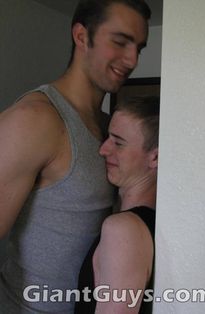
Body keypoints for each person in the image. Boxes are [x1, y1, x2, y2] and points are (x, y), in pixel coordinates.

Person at [0, 0, 151, 313]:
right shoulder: (35, 119)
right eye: (120, 42)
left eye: (139, 47)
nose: (132, 59)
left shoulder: (111, 128)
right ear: (82, 36)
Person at [75, 96, 159, 314]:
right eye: (107, 138)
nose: (103, 150)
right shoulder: (150, 223)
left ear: (155, 157)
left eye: (118, 143)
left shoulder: (123, 229)